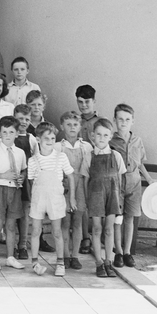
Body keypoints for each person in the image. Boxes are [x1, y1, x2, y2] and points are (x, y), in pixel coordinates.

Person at [110, 103, 157, 269]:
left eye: (127, 119)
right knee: (118, 218)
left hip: (134, 182)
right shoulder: (111, 140)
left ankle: (127, 252)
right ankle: (118, 252)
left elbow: (140, 164)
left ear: (132, 121)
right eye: (120, 119)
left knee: (129, 218)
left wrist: (149, 179)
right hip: (117, 182)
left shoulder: (137, 141)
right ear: (115, 120)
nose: (124, 122)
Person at [27, 122, 77, 277]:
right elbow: (30, 181)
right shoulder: (33, 160)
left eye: (53, 138)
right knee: (36, 230)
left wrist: (72, 198)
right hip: (38, 200)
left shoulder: (60, 157)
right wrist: (32, 200)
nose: (50, 141)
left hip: (56, 199)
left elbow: (71, 177)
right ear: (38, 139)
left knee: (57, 231)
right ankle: (35, 262)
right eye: (46, 138)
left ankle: (60, 262)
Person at [80, 118, 127, 278]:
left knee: (109, 229)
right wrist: (87, 200)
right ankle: (99, 262)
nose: (101, 138)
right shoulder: (89, 156)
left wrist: (119, 201)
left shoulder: (116, 156)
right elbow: (85, 179)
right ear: (93, 136)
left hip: (112, 197)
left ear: (110, 136)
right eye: (98, 134)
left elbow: (120, 180)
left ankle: (108, 261)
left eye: (105, 135)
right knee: (97, 228)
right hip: (95, 196)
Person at [0, 116, 27, 270]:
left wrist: (22, 176)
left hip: (14, 191)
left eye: (11, 132)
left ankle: (10, 257)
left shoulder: (20, 152)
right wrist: (3, 176)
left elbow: (23, 169)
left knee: (10, 226)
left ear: (16, 133)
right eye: (4, 132)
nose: (7, 135)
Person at [55, 111, 92, 270]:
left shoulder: (86, 147)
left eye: (75, 124)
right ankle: (65, 256)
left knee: (77, 222)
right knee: (65, 222)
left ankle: (75, 256)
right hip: (63, 187)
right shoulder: (57, 147)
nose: (72, 127)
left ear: (80, 127)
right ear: (62, 126)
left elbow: (89, 169)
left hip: (80, 187)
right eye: (68, 124)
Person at [75, 85, 103, 254]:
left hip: (98, 167)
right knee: (83, 203)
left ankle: (100, 237)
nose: (83, 105)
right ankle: (85, 237)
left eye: (87, 101)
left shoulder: (100, 122)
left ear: (94, 101)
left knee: (100, 203)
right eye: (80, 102)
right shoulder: (74, 121)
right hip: (80, 168)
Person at [12, 104, 39, 260]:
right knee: (10, 214)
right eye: (20, 118)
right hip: (10, 178)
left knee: (24, 213)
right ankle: (9, 242)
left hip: (26, 179)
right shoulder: (9, 136)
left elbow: (36, 160)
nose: (23, 122)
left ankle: (22, 245)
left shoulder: (31, 138)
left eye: (27, 119)